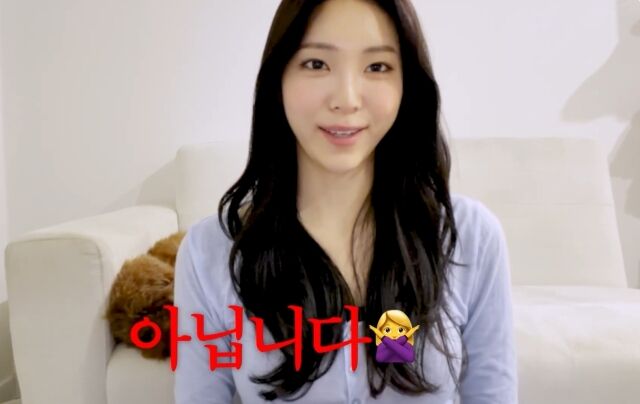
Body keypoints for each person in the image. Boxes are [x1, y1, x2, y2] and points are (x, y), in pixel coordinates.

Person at [174, 0, 518, 403]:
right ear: (278, 78)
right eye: (316, 64)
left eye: (377, 67)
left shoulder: (469, 238)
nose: (347, 99)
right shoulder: (209, 253)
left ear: (406, 85)